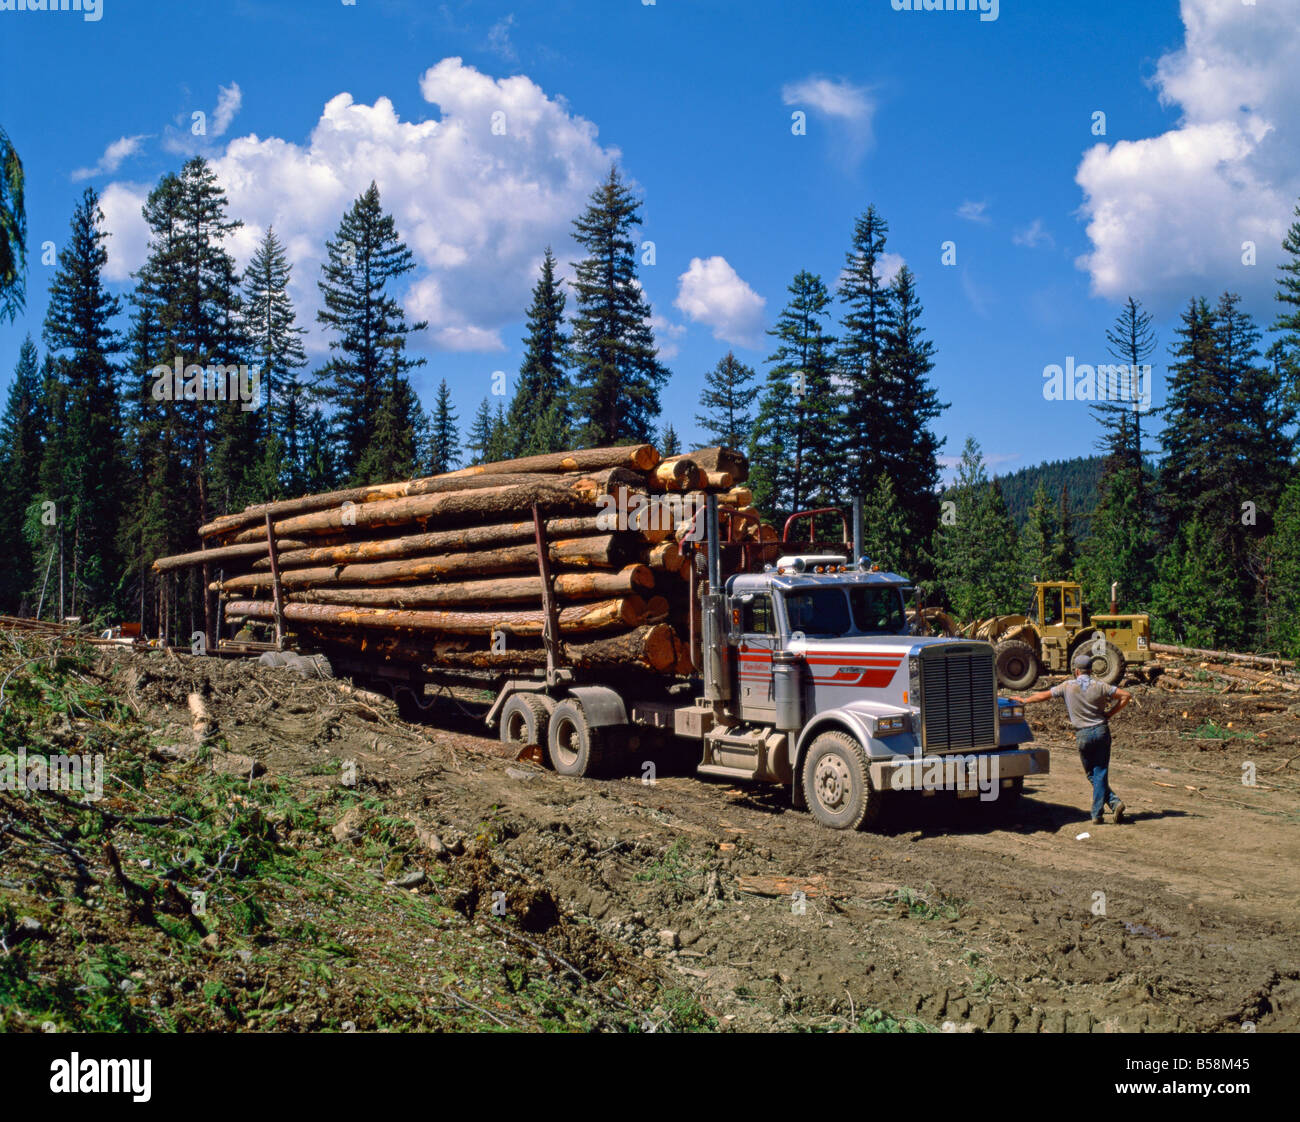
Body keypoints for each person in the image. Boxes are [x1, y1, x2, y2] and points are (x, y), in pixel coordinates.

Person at [1013, 650, 1132, 824]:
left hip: (1082, 734)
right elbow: (1126, 696)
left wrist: (1024, 700)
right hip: (1100, 730)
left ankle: (1098, 813)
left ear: (1076, 670)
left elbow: (1042, 696)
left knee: (1093, 773)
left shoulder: (1067, 686)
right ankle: (1113, 804)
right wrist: (1109, 714)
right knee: (1100, 772)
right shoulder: (1101, 686)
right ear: (1091, 670)